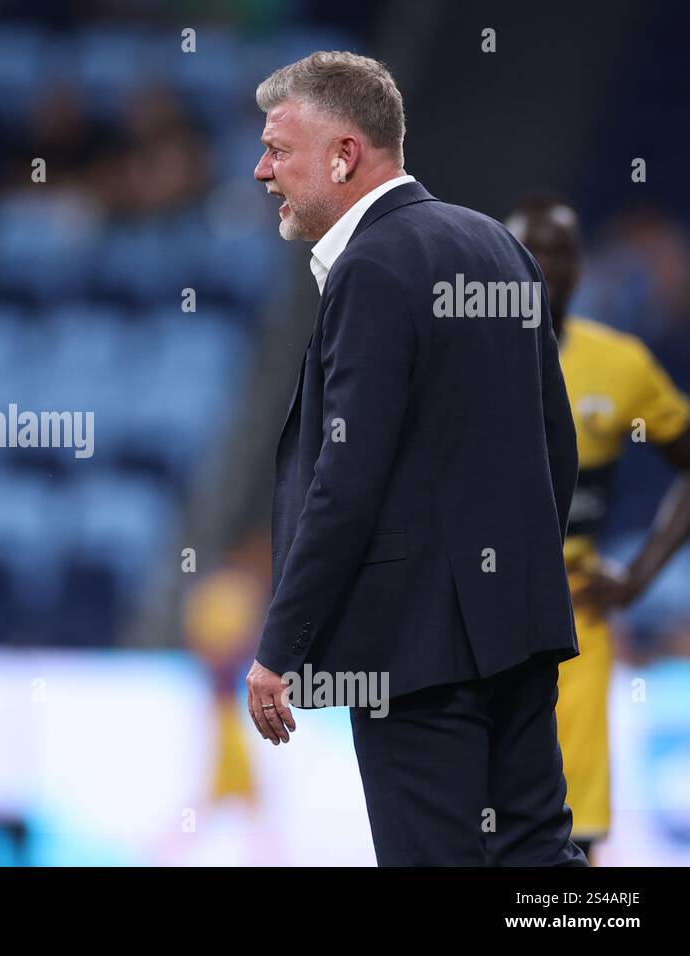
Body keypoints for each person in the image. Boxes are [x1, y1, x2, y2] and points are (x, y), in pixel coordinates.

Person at [244, 51, 586, 866]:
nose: (261, 171)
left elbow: (346, 479)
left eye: (277, 149)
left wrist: (279, 646)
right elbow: (556, 444)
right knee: (538, 859)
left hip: (410, 652)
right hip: (520, 632)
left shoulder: (372, 266)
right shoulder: (499, 247)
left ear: (343, 154)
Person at [507, 197, 690, 861]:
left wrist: (639, 576)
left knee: (573, 833)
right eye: (526, 254)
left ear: (581, 268)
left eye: (558, 253)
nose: (543, 269)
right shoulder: (446, 361)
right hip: (469, 625)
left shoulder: (620, 366)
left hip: (574, 621)